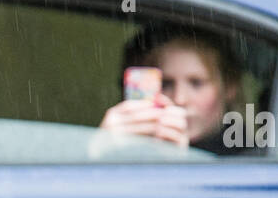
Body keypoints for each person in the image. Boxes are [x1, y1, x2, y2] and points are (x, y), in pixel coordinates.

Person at [98, 23, 257, 156]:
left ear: (229, 87)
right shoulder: (129, 145)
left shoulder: (250, 159)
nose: (180, 99)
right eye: (165, 83)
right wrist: (101, 150)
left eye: (196, 83)